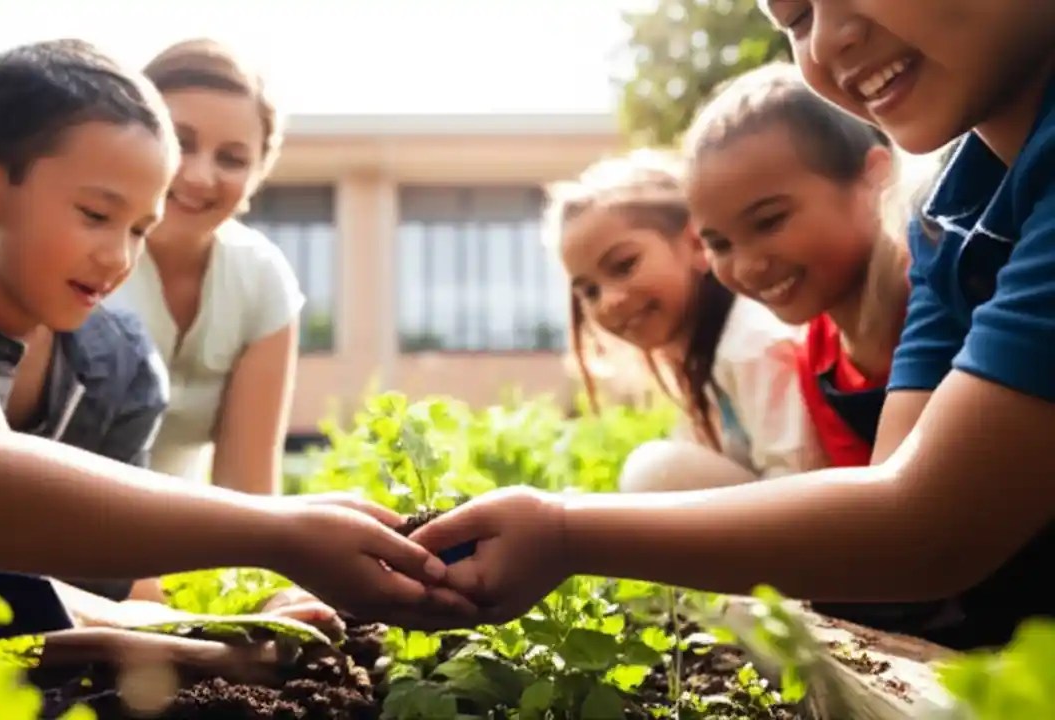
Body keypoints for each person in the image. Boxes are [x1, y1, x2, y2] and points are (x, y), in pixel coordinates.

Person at [0, 0, 462, 694]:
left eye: (140, 228)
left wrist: (221, 620)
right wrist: (279, 536)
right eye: (97, 215)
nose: (118, 257)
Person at [410, 0, 1055, 651]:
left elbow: (930, 528)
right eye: (797, 18)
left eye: (769, 220)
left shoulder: (777, 334)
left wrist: (565, 534)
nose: (830, 38)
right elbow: (897, 505)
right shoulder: (947, 222)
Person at [0, 38, 341, 644]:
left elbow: (160, 560)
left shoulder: (124, 358)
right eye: (97, 215)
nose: (200, 173)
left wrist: (236, 610)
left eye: (139, 229)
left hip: (143, 548)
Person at [683, 61, 958, 637]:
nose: (748, 263)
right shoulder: (816, 354)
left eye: (770, 220)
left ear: (874, 176)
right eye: (719, 243)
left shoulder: (933, 294)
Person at [549, 149, 821, 492]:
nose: (609, 301)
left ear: (695, 243)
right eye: (589, 292)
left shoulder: (752, 345)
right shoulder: (702, 369)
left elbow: (800, 481)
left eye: (624, 265)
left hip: (821, 529)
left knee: (652, 472)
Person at [106, 38, 301, 497]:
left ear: (258, 175)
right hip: (64, 541)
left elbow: (249, 491)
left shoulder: (261, 281)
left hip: (189, 548)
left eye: (232, 159)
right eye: (180, 143)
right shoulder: (83, 255)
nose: (198, 175)